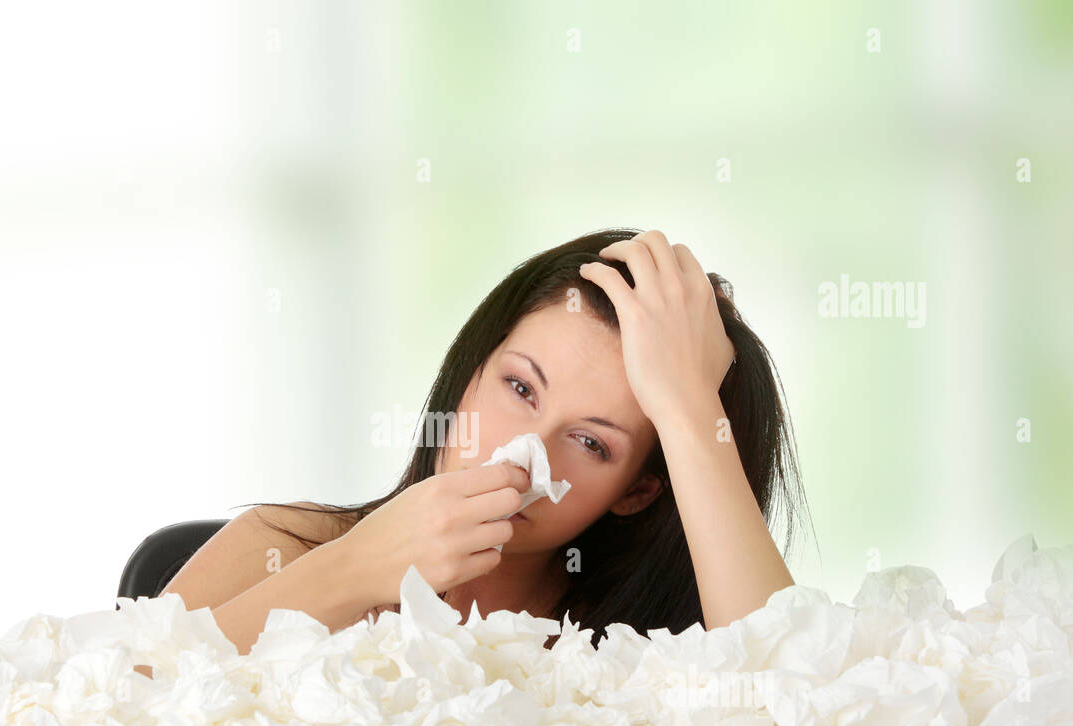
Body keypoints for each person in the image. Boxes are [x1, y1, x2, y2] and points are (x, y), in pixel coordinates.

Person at [159, 227, 816, 655]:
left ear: (637, 493)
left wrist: (688, 409)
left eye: (591, 443)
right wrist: (356, 567)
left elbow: (798, 722)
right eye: (521, 389)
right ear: (471, 367)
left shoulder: (645, 646)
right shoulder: (281, 543)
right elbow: (93, 713)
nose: (524, 452)